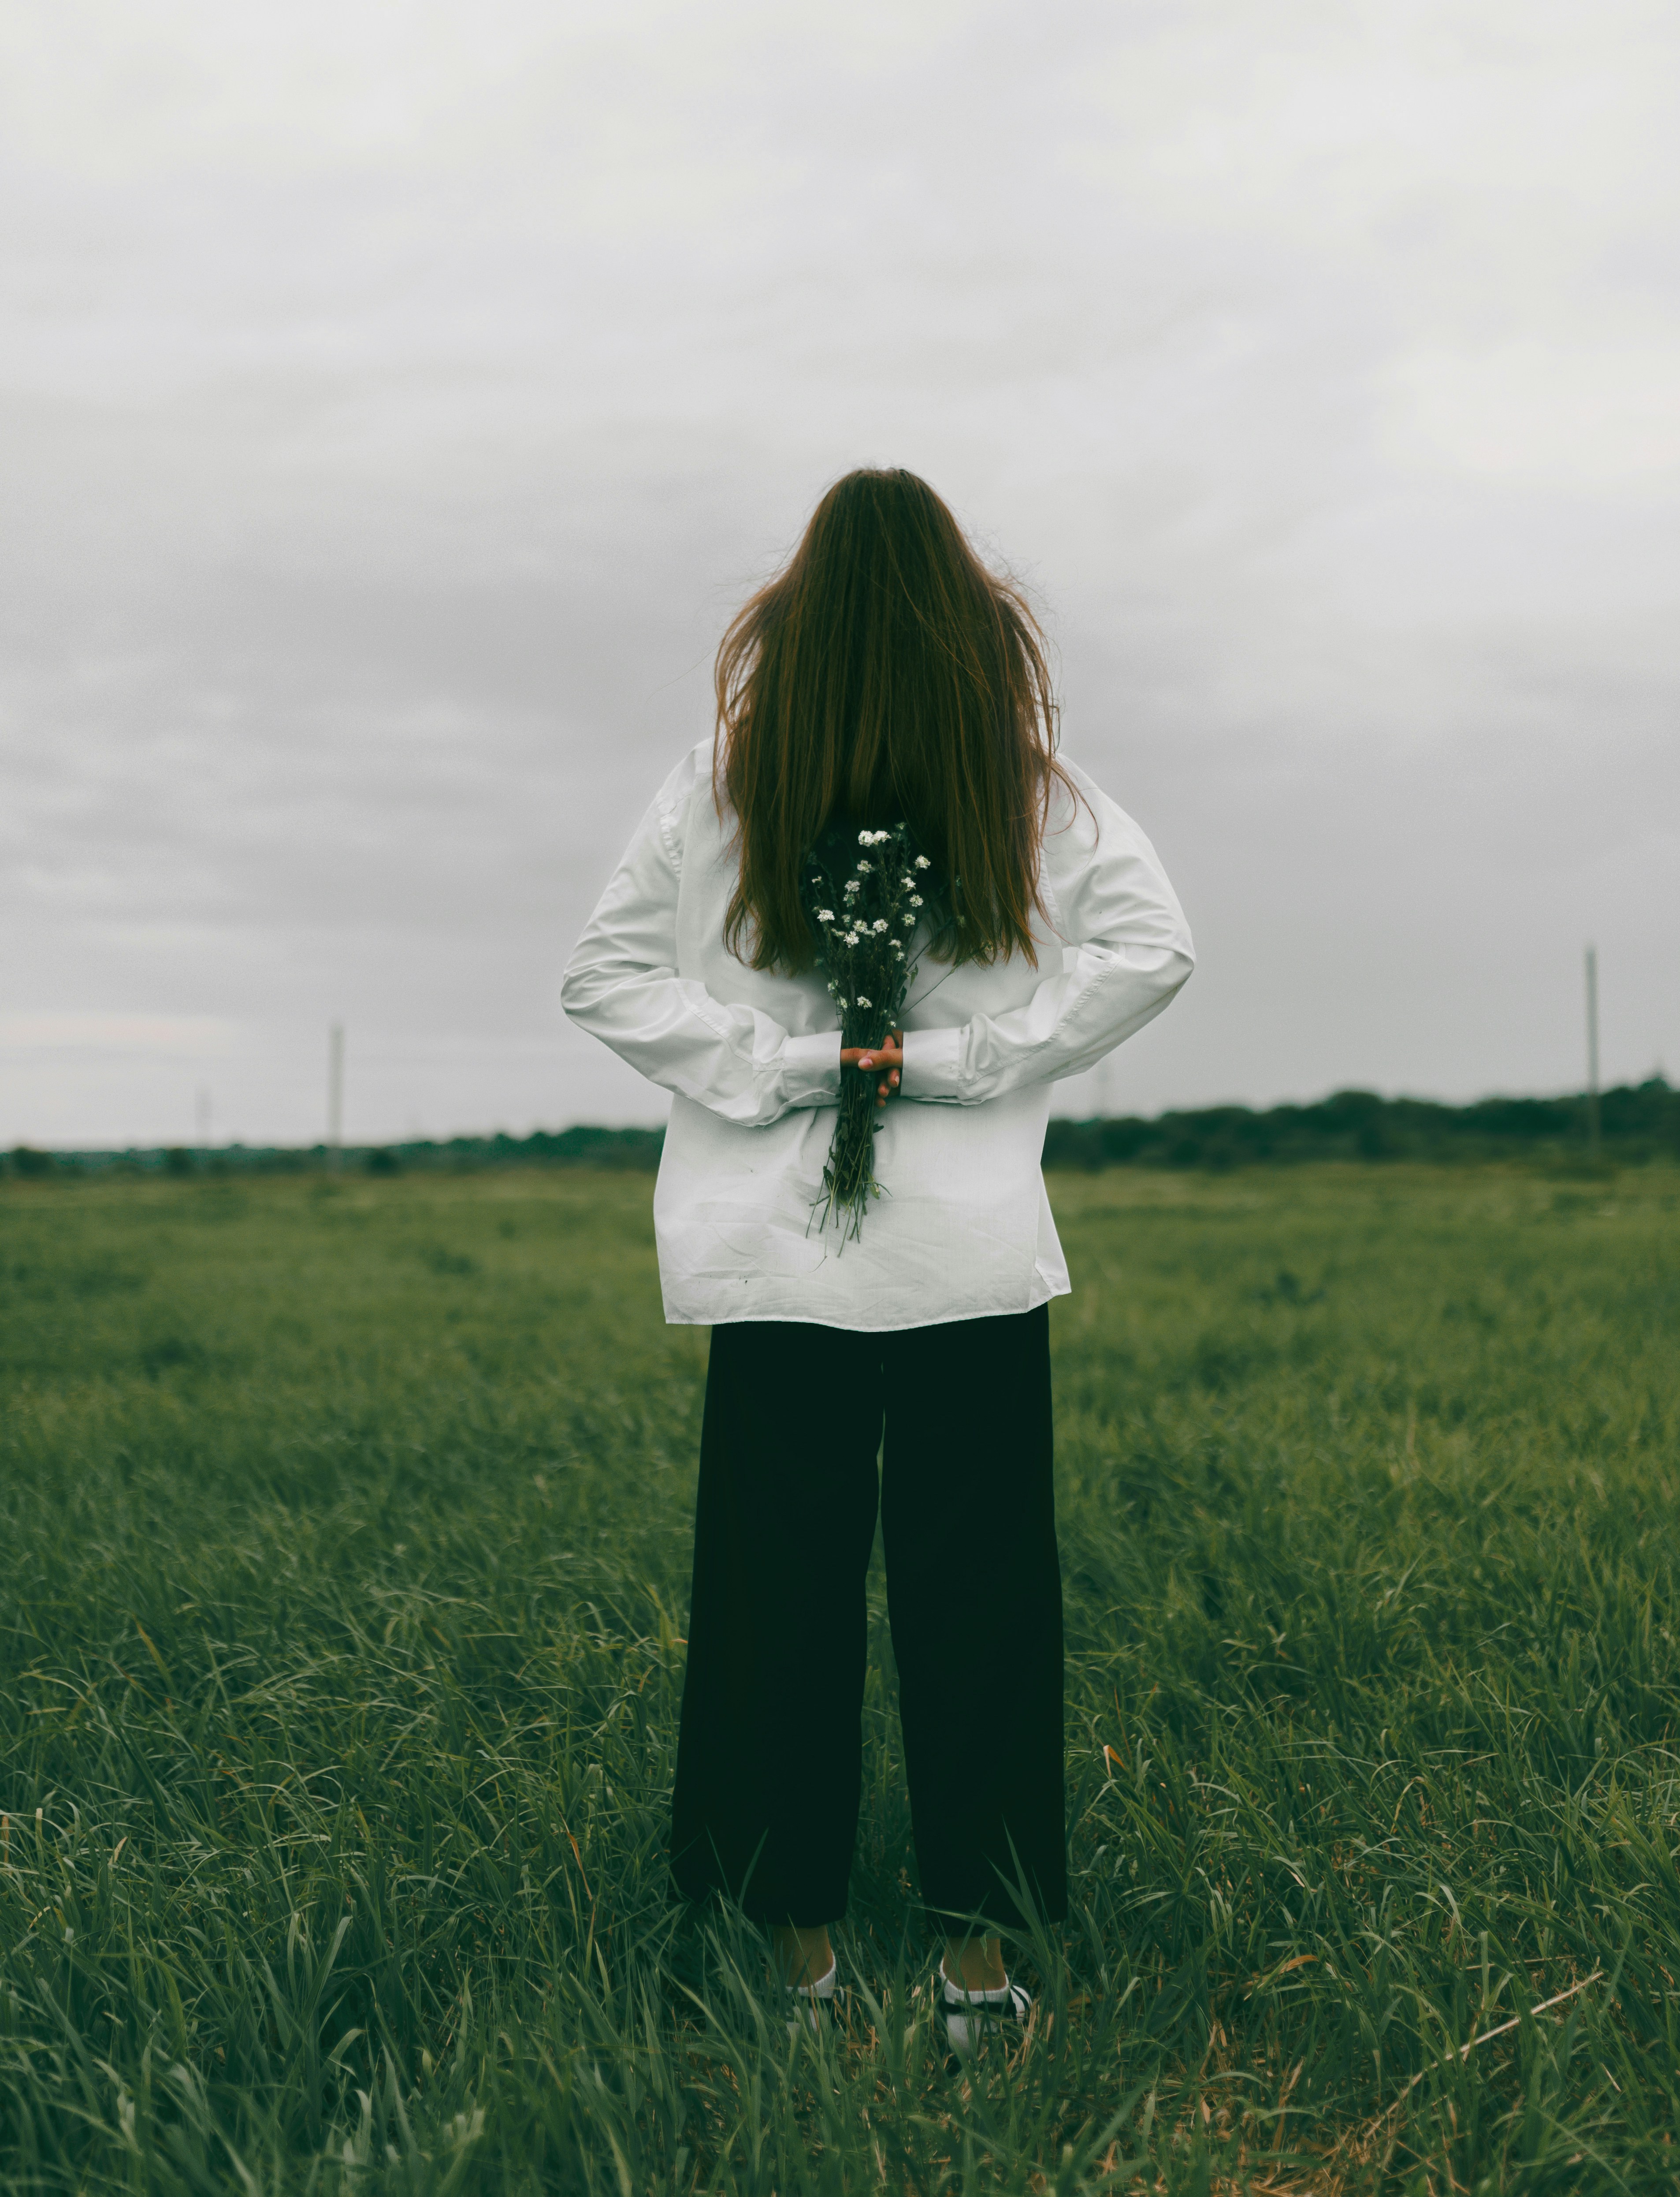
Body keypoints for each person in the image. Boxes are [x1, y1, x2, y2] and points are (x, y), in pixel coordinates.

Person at [561, 467, 1193, 2061]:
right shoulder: (1029, 787)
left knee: (776, 1596)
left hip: (780, 1266)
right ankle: (983, 1973)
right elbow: (1155, 947)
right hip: (968, 1262)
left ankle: (799, 1962)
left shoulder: (725, 782)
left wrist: (776, 1065)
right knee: (981, 1600)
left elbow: (608, 975)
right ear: (967, 618)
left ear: (803, 614)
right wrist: (968, 1060)